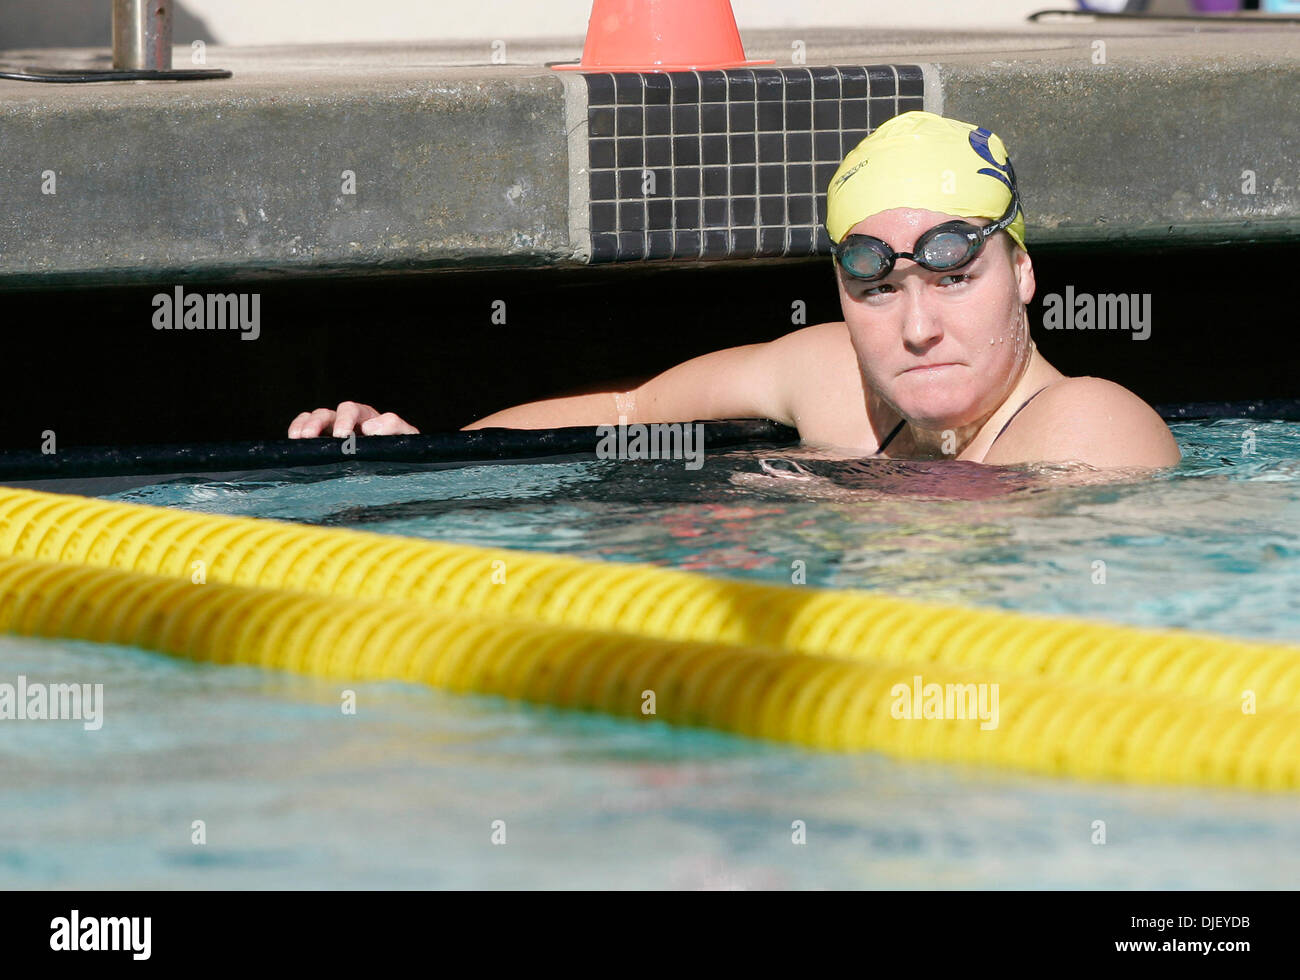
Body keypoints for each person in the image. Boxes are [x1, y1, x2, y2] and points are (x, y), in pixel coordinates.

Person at [288, 111, 1180, 469]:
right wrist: (427, 455)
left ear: (1022, 273)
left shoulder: (1088, 423)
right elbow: (630, 412)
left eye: (954, 279)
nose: (917, 327)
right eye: (878, 289)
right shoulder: (838, 383)